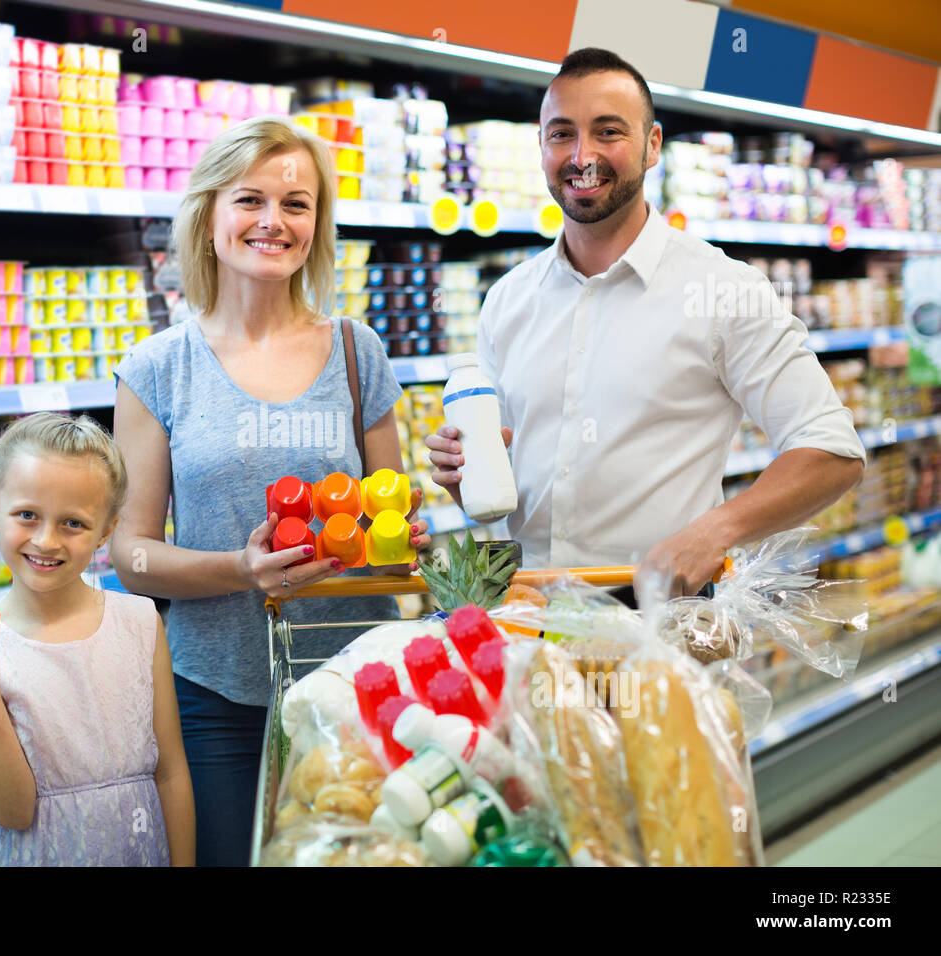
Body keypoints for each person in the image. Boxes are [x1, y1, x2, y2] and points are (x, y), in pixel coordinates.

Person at [426, 47, 865, 598]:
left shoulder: (723, 289)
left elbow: (832, 449)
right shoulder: (508, 300)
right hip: (525, 616)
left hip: (662, 622)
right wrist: (469, 477)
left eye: (608, 131)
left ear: (652, 144)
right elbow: (506, 482)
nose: (582, 155)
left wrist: (716, 530)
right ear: (540, 146)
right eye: (561, 134)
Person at [111, 116, 431, 866]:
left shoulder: (358, 351)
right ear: (209, 214)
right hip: (216, 695)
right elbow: (131, 557)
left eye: (297, 203)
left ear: (316, 225)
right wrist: (239, 570)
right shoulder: (157, 368)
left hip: (358, 677)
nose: (273, 221)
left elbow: (400, 520)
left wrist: (404, 536)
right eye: (250, 199)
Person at [0, 412, 195, 866]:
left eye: (72, 523)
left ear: (107, 530)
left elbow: (170, 773)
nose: (46, 540)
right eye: (27, 515)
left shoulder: (139, 622)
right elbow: (13, 811)